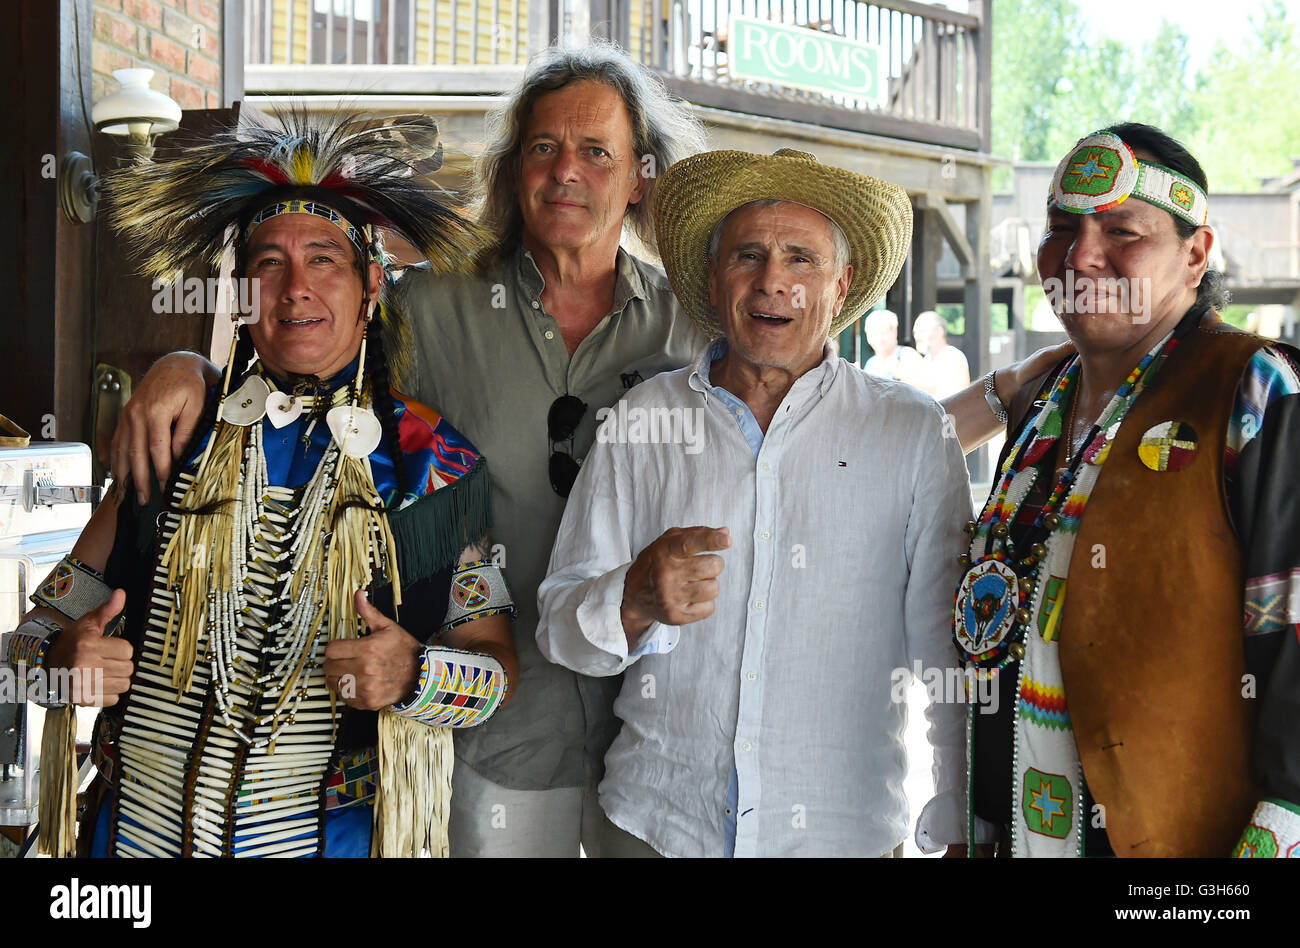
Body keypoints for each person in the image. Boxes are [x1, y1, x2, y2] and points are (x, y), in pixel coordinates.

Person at [105, 43, 708, 858]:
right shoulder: (428, 310)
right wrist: (185, 369)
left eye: (596, 151)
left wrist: (414, 674)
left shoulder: (697, 333)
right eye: (543, 147)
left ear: (640, 174)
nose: (567, 170)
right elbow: (303, 355)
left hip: (657, 732)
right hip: (490, 760)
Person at [0, 110, 519, 857]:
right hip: (134, 846)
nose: (294, 288)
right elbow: (28, 642)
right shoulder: (173, 440)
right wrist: (61, 665)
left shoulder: (427, 462)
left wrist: (415, 675)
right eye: (268, 263)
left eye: (324, 260)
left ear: (372, 283)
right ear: (243, 293)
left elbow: (497, 673)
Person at [536, 148, 975, 857]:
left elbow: (947, 658)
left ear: (842, 286)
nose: (774, 281)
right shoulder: (645, 418)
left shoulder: (913, 434)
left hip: (844, 836)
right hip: (657, 827)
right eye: (749, 254)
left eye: (801, 258)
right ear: (715, 278)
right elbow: (560, 629)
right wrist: (635, 597)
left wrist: (958, 825)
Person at [956, 123, 1300, 858]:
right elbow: (883, 451)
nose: (1082, 254)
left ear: (1196, 254)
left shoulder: (1254, 388)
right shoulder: (1046, 398)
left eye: (1122, 230)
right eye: (1062, 227)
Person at [912, 310, 971, 399]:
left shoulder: (952, 356)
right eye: (915, 332)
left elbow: (951, 395)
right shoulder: (927, 359)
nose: (916, 336)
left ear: (939, 331)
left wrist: (908, 380)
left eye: (922, 331)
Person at [863, 308, 924, 383]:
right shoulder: (870, 363)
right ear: (868, 337)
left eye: (883, 333)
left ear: (894, 332)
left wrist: (901, 375)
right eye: (875, 334)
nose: (880, 339)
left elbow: (931, 388)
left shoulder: (908, 355)